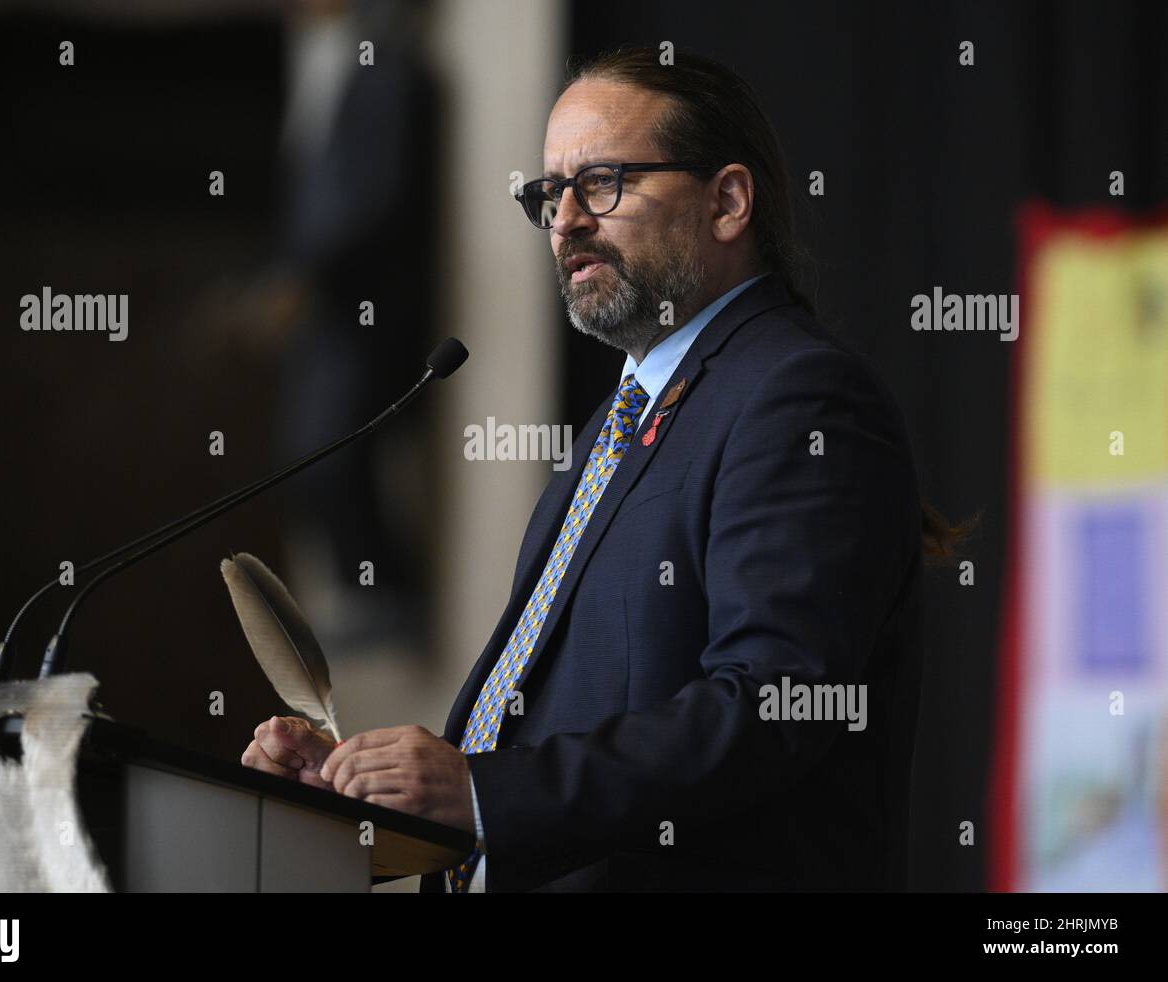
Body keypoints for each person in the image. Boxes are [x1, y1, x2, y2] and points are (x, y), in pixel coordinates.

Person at [242, 45, 955, 892]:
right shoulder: (617, 427)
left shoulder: (797, 397)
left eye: (604, 183)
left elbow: (771, 707)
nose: (565, 220)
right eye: (548, 194)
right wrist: (372, 797)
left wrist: (481, 794)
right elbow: (561, 728)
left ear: (727, 201)